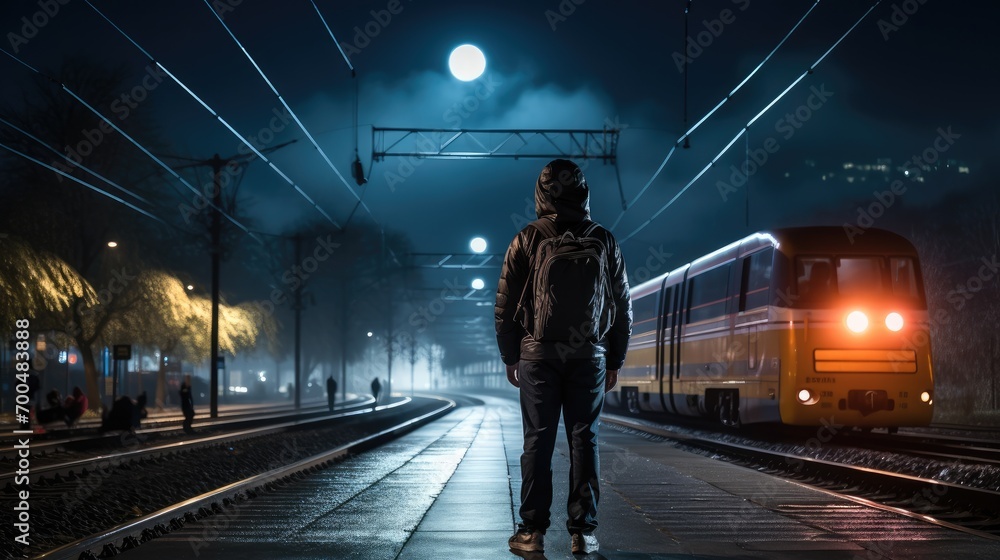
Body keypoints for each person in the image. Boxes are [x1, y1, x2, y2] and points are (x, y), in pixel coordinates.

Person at [495, 159, 632, 555]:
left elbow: (504, 305)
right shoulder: (603, 239)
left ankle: (532, 532)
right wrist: (615, 358)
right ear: (584, 192)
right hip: (589, 354)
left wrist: (510, 354)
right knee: (584, 440)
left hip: (537, 354)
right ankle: (583, 533)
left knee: (537, 440)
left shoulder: (527, 238)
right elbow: (622, 305)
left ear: (541, 194)